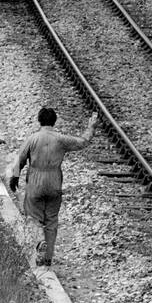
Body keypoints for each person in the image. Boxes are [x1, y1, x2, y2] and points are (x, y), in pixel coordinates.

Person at [8, 107, 97, 267]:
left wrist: (15, 177)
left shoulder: (33, 139)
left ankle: (39, 242)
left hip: (36, 181)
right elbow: (83, 142)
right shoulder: (61, 139)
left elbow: (20, 159)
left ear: (39, 120)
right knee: (51, 221)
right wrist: (91, 127)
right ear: (54, 122)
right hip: (54, 181)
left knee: (33, 217)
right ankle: (47, 258)